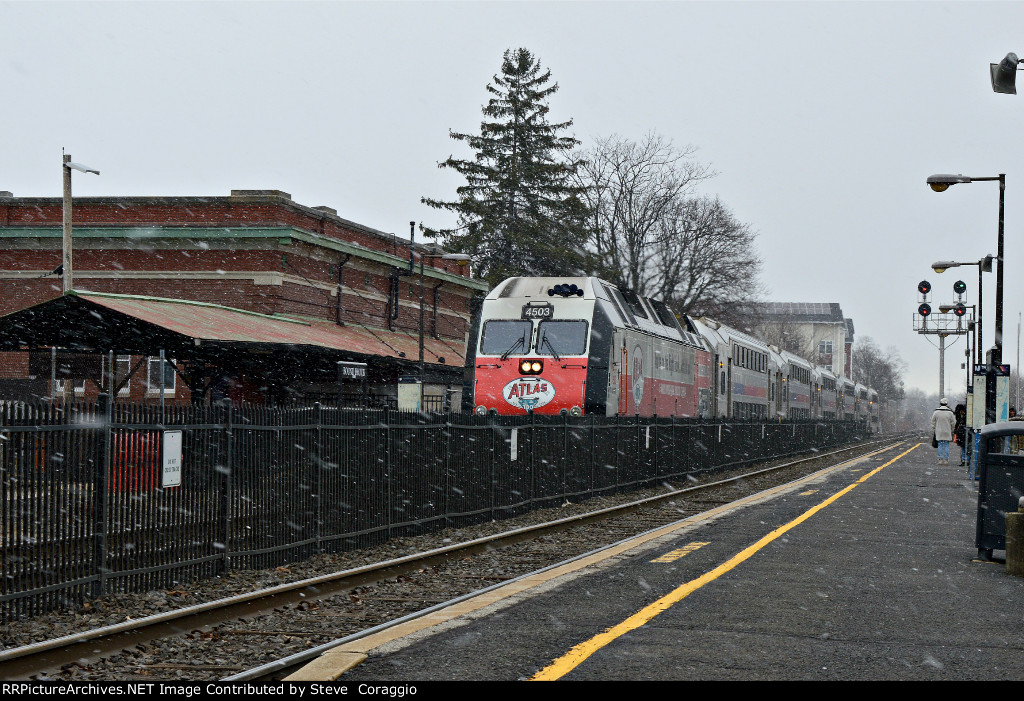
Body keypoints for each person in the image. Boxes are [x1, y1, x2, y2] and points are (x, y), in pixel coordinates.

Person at [931, 398, 956, 465]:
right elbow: (953, 422)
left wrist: (934, 428)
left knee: (940, 444)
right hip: (947, 430)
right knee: (946, 445)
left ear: (940, 403)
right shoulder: (950, 412)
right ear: (946, 404)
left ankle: (940, 459)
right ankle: (946, 460)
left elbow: (933, 421)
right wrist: (952, 429)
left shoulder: (936, 412)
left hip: (939, 430)